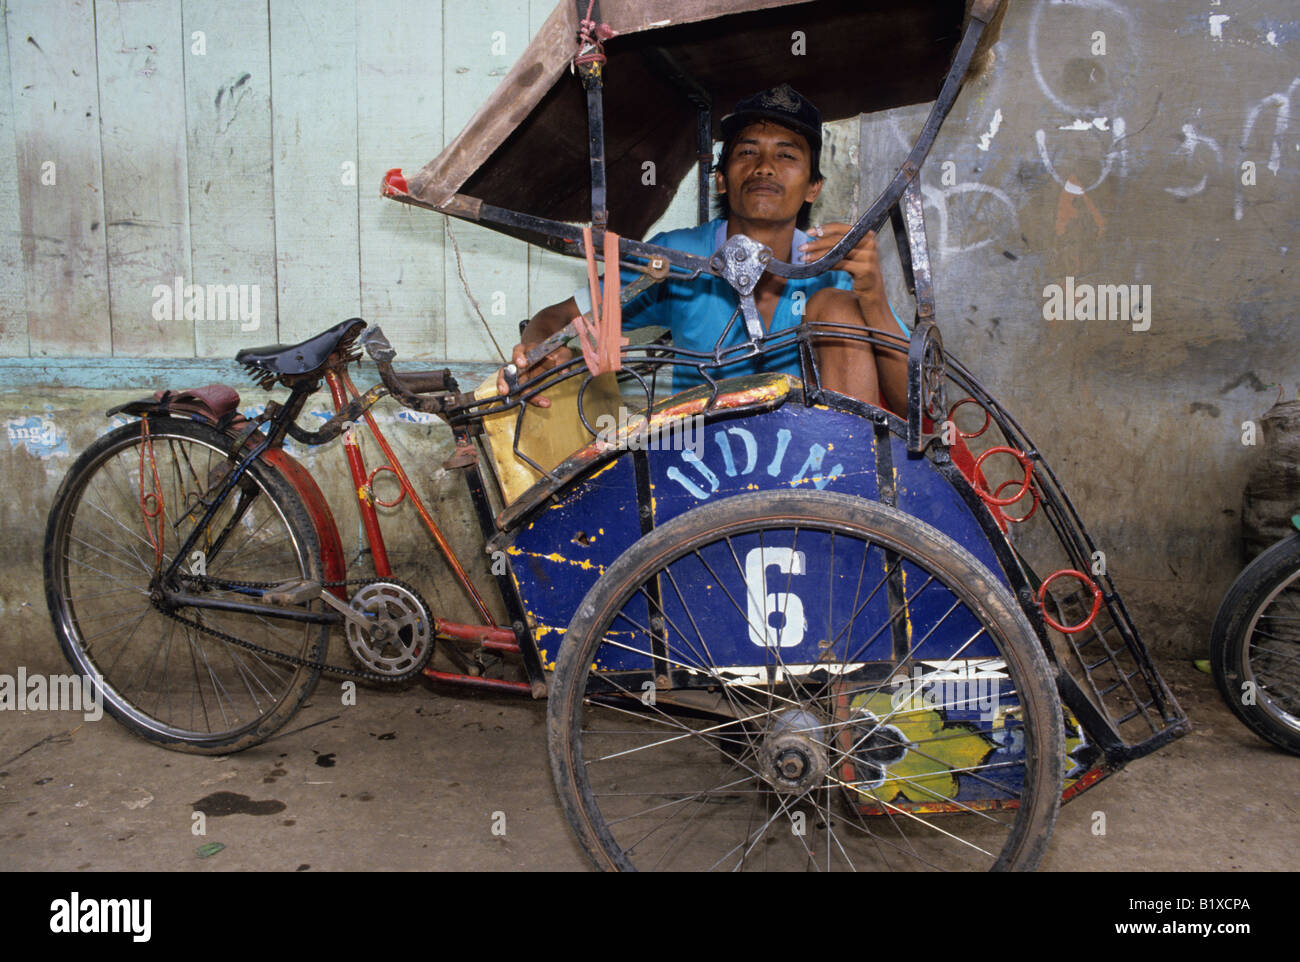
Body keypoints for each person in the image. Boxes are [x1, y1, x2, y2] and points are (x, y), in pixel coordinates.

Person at [499, 84, 909, 413]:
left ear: (813, 188)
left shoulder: (834, 261)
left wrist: (873, 296)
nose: (764, 167)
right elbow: (558, 317)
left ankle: (851, 492)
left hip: (807, 467)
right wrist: (534, 352)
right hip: (703, 468)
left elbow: (913, 405)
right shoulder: (676, 255)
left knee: (836, 304)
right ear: (721, 180)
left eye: (786, 155)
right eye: (747, 152)